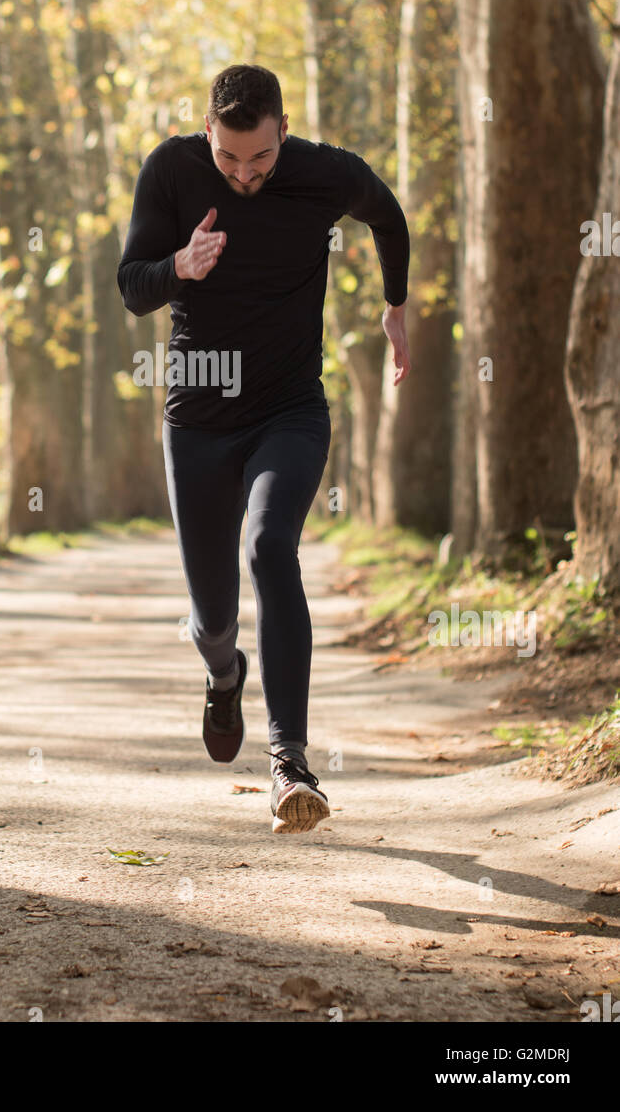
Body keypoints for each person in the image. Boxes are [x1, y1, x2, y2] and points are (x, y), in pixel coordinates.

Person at [117, 64, 411, 833]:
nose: (245, 174)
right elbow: (130, 285)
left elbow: (388, 216)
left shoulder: (324, 173)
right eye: (228, 159)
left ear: (283, 130)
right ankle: (224, 673)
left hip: (289, 409)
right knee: (213, 618)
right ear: (207, 132)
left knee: (270, 547)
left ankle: (290, 766)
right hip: (198, 422)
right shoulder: (170, 171)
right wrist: (178, 265)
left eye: (260, 158)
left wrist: (395, 306)